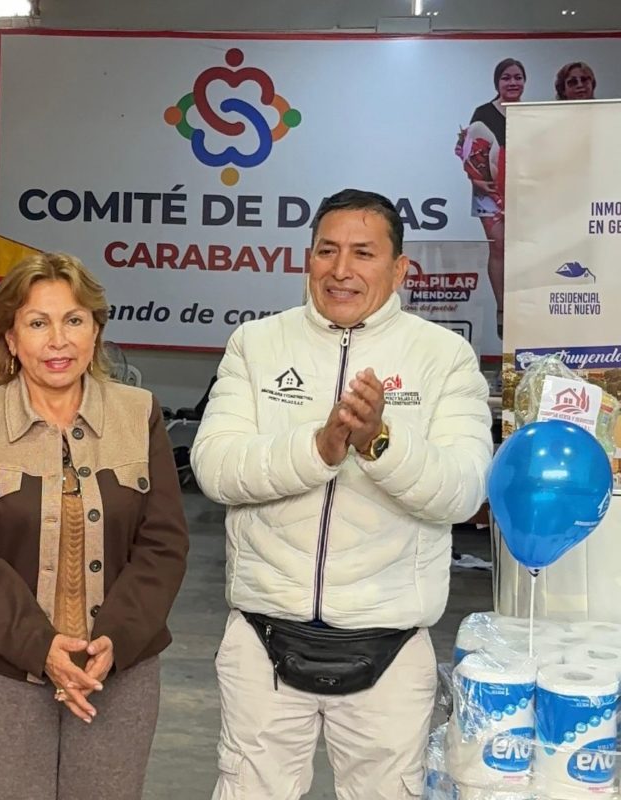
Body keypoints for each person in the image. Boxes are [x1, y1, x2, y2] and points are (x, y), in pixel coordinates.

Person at [190, 189, 493, 800]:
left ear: (400, 268)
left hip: (391, 645)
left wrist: (379, 442)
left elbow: (462, 491)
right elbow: (215, 467)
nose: (341, 270)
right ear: (307, 259)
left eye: (363, 252)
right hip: (261, 639)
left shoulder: (444, 357)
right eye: (327, 251)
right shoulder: (257, 345)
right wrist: (320, 449)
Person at [0, 252, 189, 800]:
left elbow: (163, 543)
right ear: (10, 338)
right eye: (37, 322)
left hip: (115, 671)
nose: (58, 340)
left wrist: (112, 642)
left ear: (96, 332)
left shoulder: (139, 412)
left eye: (74, 320)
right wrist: (40, 645)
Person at [458, 57, 525, 335]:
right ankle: (502, 308)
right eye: (506, 77)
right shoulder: (483, 112)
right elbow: (465, 151)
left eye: (518, 77)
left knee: (522, 249)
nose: (512, 82)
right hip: (488, 191)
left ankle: (522, 304)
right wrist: (476, 179)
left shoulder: (533, 112)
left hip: (523, 188)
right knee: (498, 247)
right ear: (497, 82)